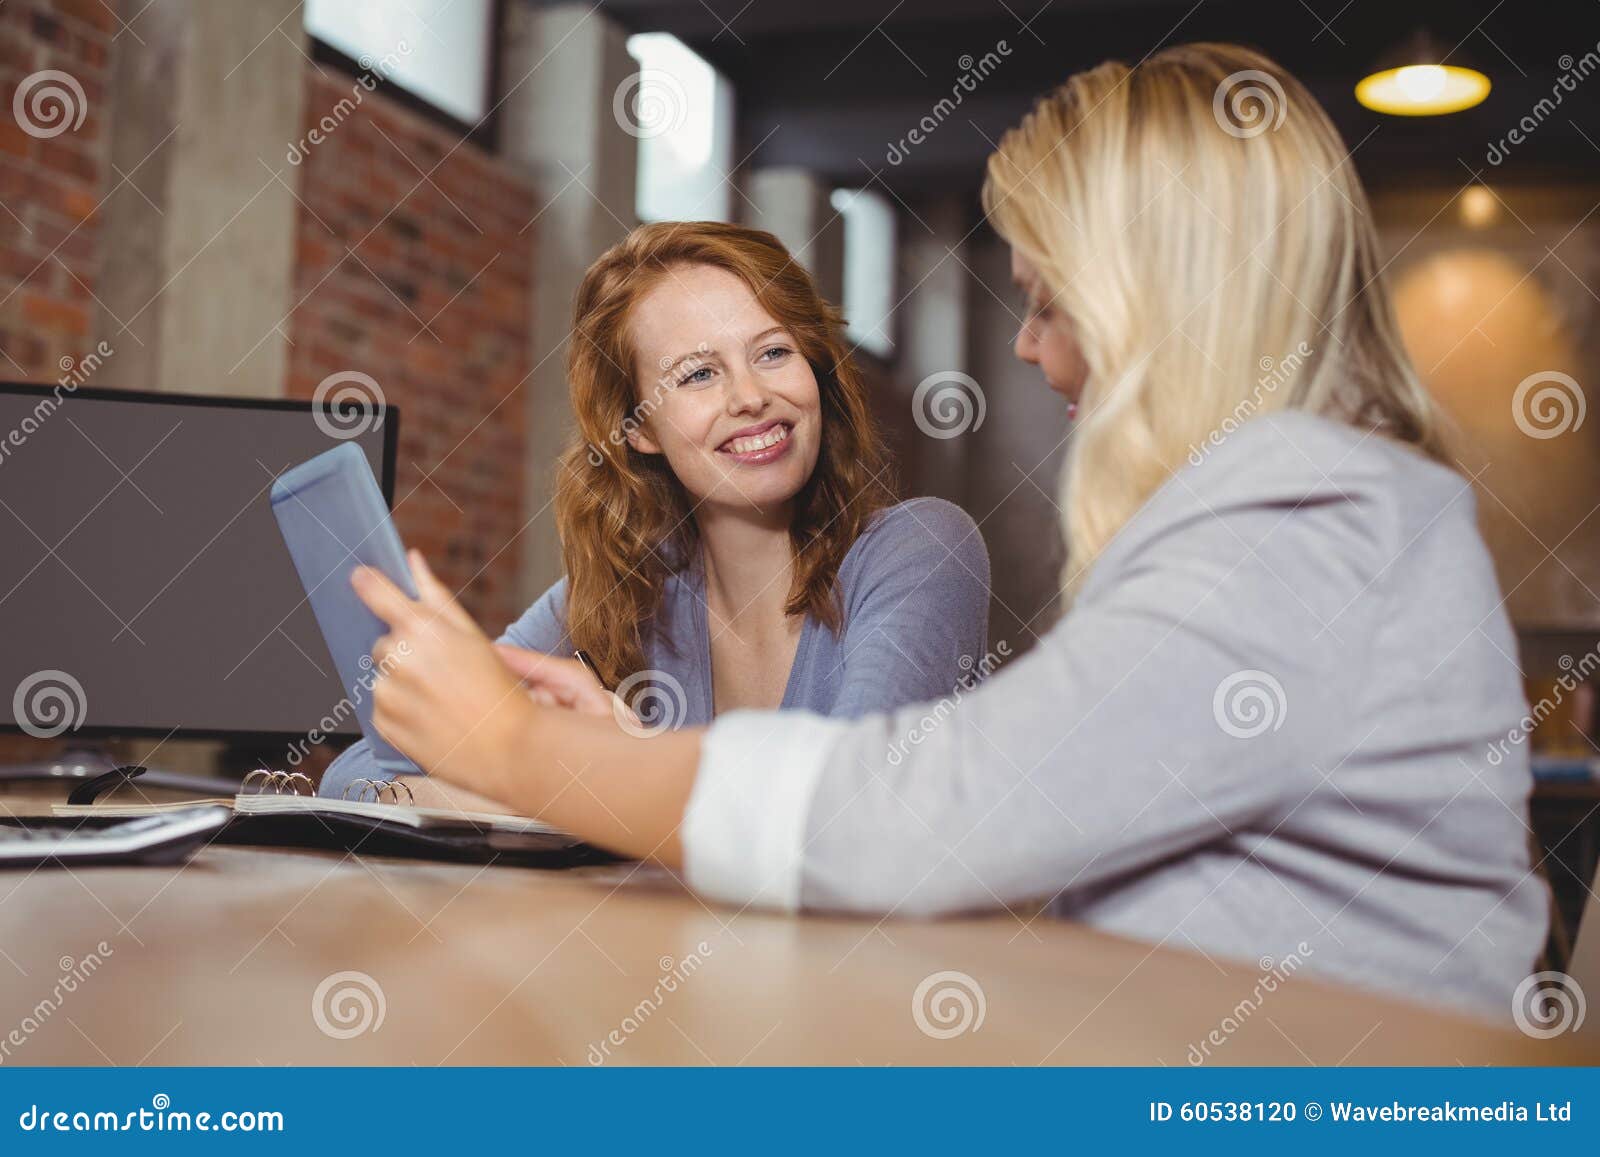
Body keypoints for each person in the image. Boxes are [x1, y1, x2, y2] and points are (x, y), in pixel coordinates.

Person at [349, 44, 1546, 1019]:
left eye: (1047, 301)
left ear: (1159, 294)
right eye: (699, 374)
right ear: (638, 428)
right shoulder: (1307, 507)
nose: (1030, 347)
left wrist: (525, 752)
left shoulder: (1299, 528)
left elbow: (925, 820)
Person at [319, 221, 990, 801]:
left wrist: (588, 771)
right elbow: (357, 771)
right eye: (699, 374)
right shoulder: (623, 591)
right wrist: (543, 781)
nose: (751, 395)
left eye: (774, 352)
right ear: (637, 426)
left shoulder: (922, 552)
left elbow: (850, 812)